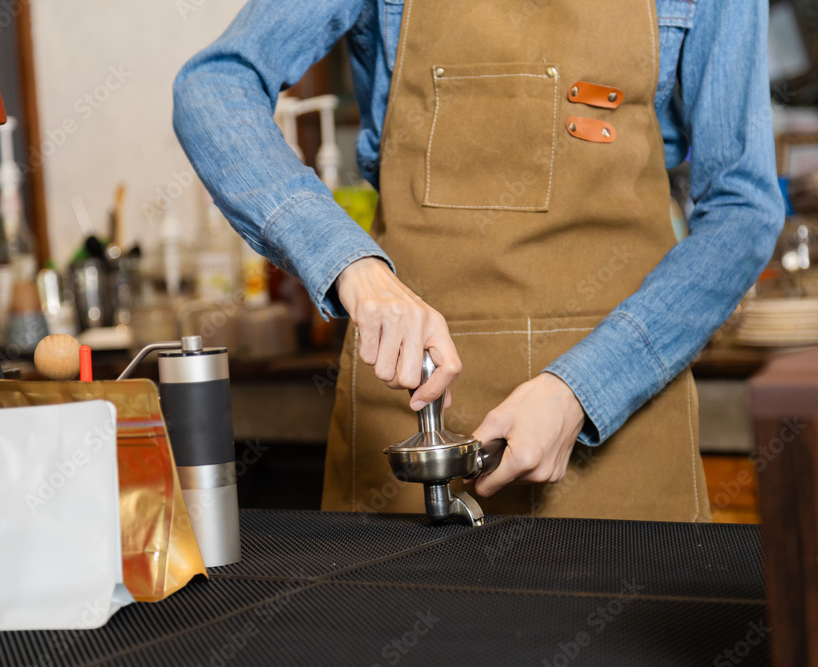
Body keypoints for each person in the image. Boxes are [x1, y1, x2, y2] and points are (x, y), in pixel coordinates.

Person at [174, 0, 784, 521]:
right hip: (409, 414)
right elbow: (214, 87)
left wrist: (582, 390)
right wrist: (349, 263)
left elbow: (743, 208)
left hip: (624, 424)